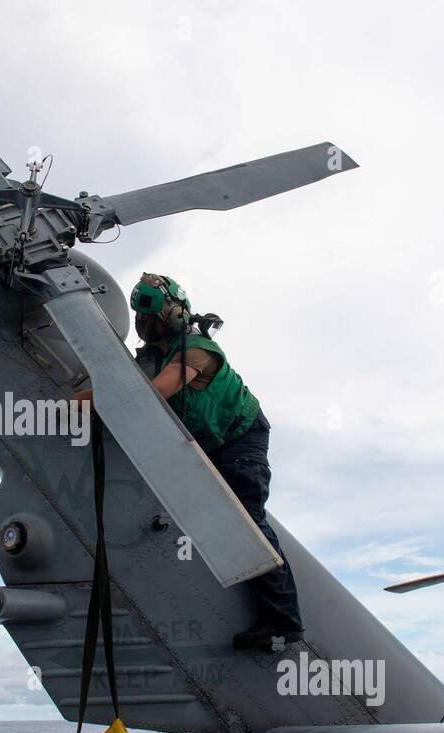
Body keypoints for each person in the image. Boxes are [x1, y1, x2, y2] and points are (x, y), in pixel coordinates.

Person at [73, 272, 303, 651]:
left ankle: (284, 621)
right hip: (210, 443)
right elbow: (123, 388)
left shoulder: (196, 349)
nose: (146, 325)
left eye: (153, 316)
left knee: (247, 522)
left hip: (242, 438)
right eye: (141, 318)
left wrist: (77, 402)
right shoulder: (152, 357)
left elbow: (157, 391)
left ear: (177, 313)